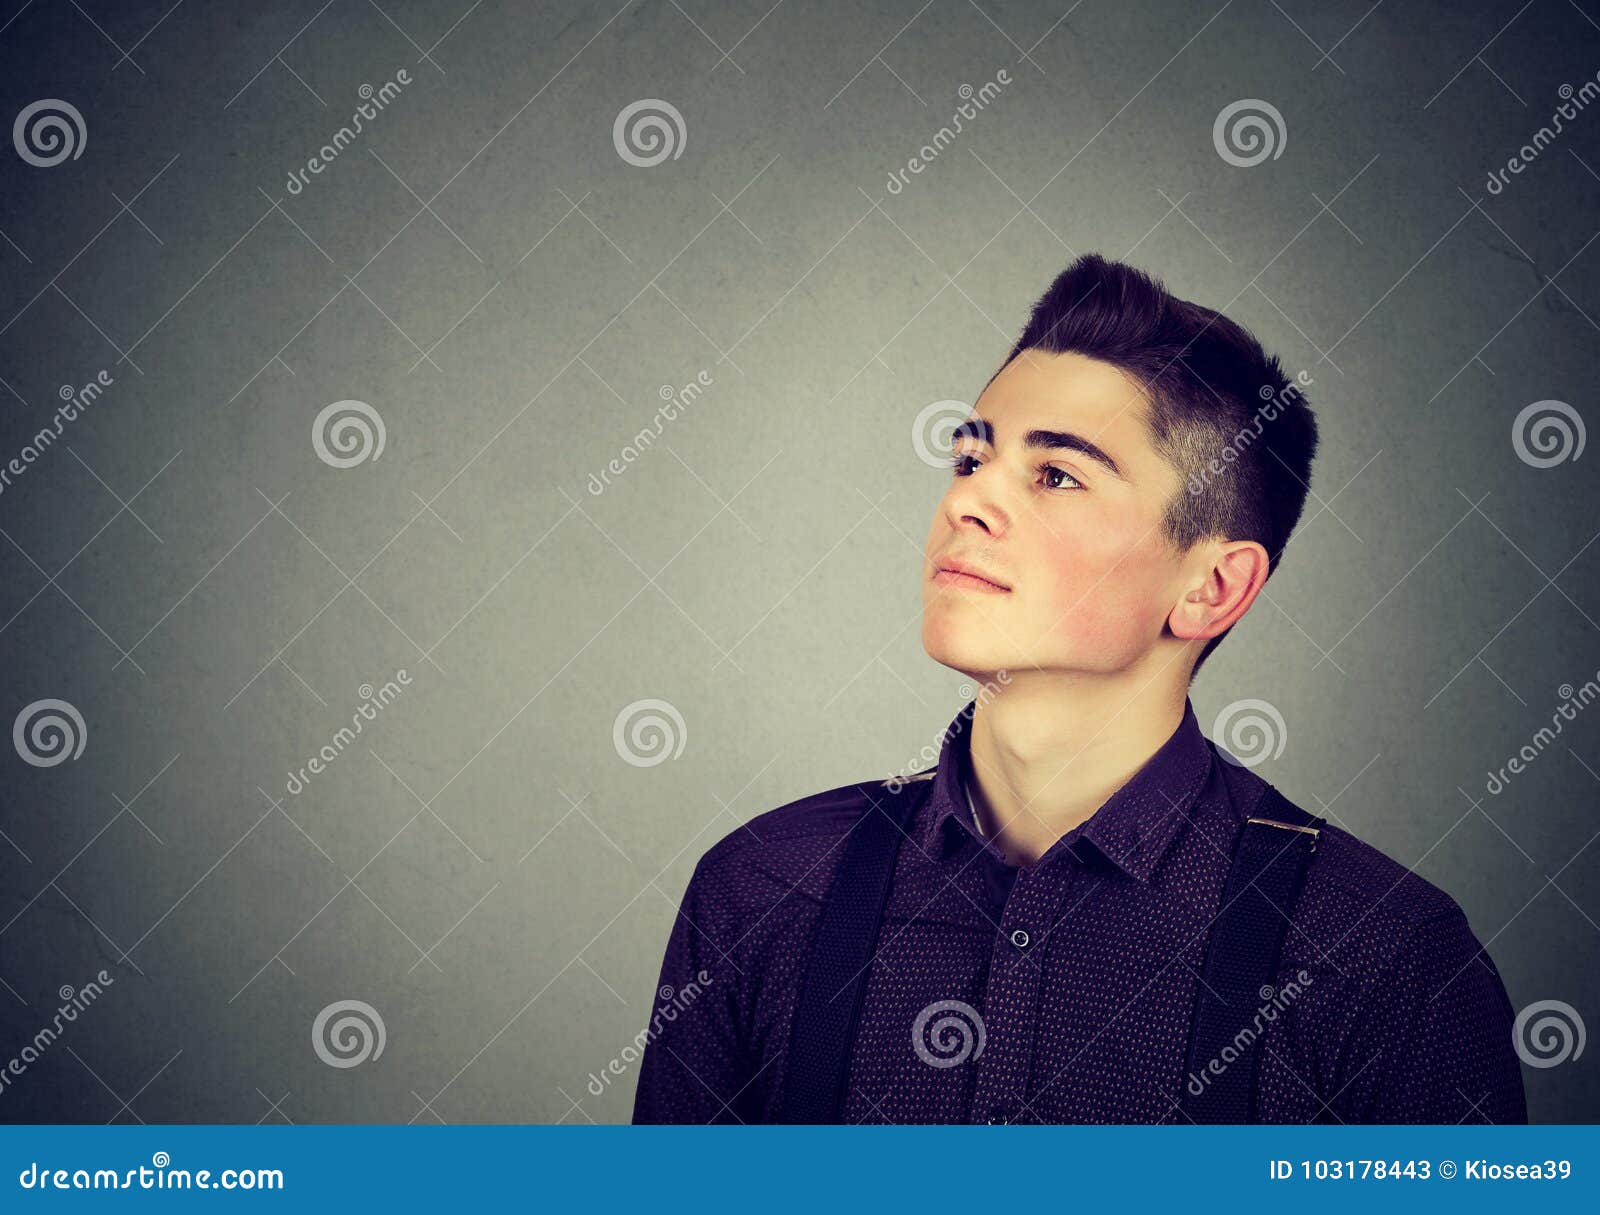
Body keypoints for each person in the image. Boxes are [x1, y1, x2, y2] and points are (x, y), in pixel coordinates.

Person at [630, 253, 1527, 1124]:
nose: (967, 503)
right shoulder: (764, 888)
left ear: (1212, 587)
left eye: (1056, 474)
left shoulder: (1384, 962)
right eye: (970, 460)